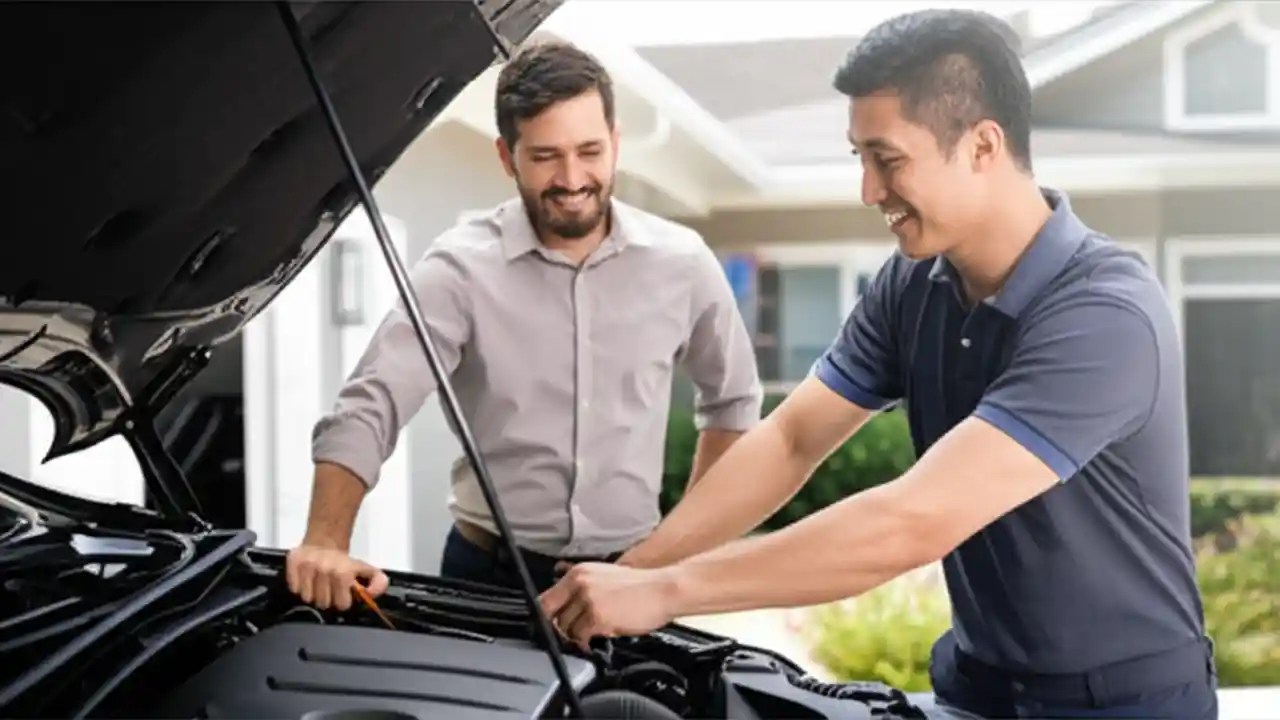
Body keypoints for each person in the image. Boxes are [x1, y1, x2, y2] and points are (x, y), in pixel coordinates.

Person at [540, 10, 1216, 720]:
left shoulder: (1105, 314)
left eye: (887, 159)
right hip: (979, 688)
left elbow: (910, 521)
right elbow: (792, 439)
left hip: (1122, 705)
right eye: (859, 157)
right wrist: (633, 575)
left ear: (983, 145)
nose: (868, 190)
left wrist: (669, 593)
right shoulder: (912, 285)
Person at [284, 40, 762, 607]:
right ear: (507, 158)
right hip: (487, 575)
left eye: (589, 150)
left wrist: (678, 552)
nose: (572, 177)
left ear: (615, 144)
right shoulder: (459, 267)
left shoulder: (683, 262)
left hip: (632, 575)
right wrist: (325, 539)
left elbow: (733, 403)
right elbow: (373, 402)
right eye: (545, 156)